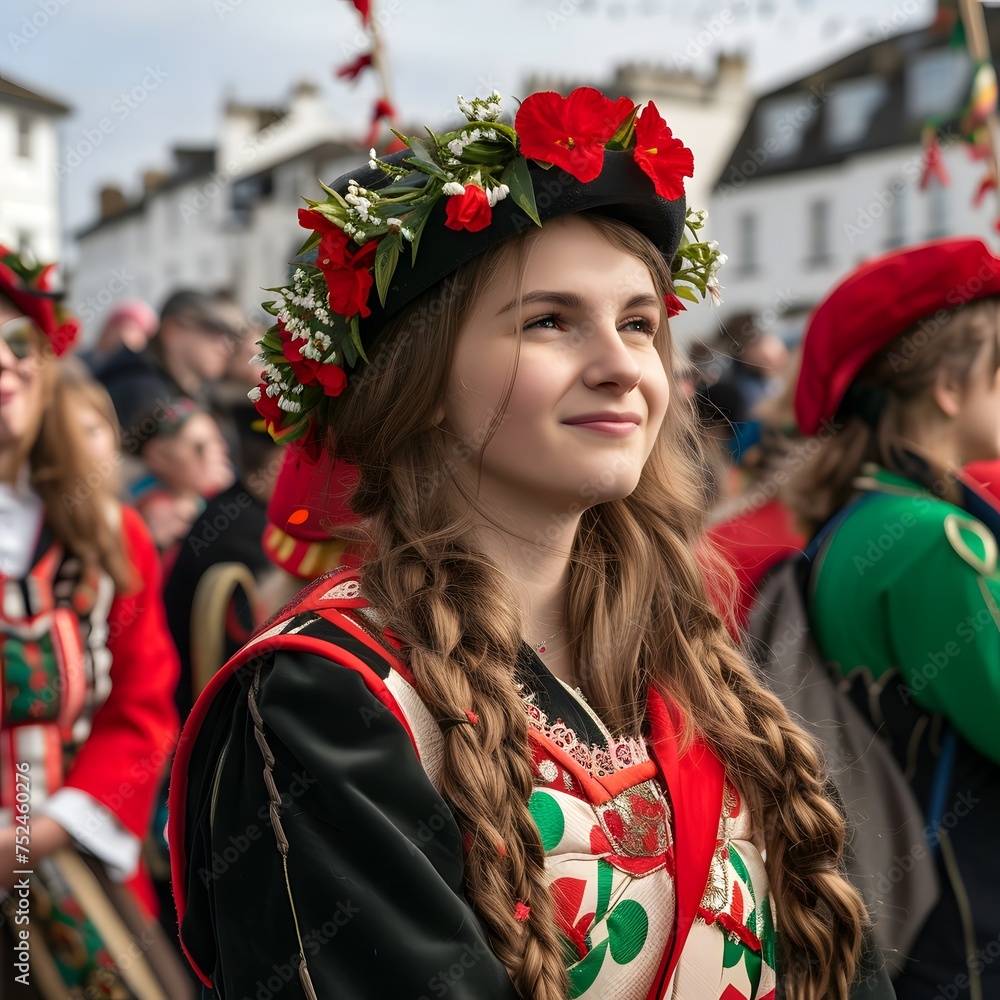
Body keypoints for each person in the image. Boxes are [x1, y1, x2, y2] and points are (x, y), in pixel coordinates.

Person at [169, 89, 883, 1000]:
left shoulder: (684, 653)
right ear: (419, 380)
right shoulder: (328, 700)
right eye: (549, 320)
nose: (624, 365)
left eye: (638, 323)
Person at [785, 238, 1000, 999]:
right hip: (968, 918)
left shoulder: (864, 518)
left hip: (908, 906)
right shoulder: (933, 540)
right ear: (949, 385)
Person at [0, 247, 184, 993]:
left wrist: (40, 833)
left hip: (67, 863)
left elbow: (143, 707)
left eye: (18, 344)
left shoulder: (109, 534)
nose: (2, 364)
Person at [98, 288, 244, 440]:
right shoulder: (139, 391)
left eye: (231, 338)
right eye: (212, 330)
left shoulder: (203, 392)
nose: (226, 346)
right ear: (172, 330)